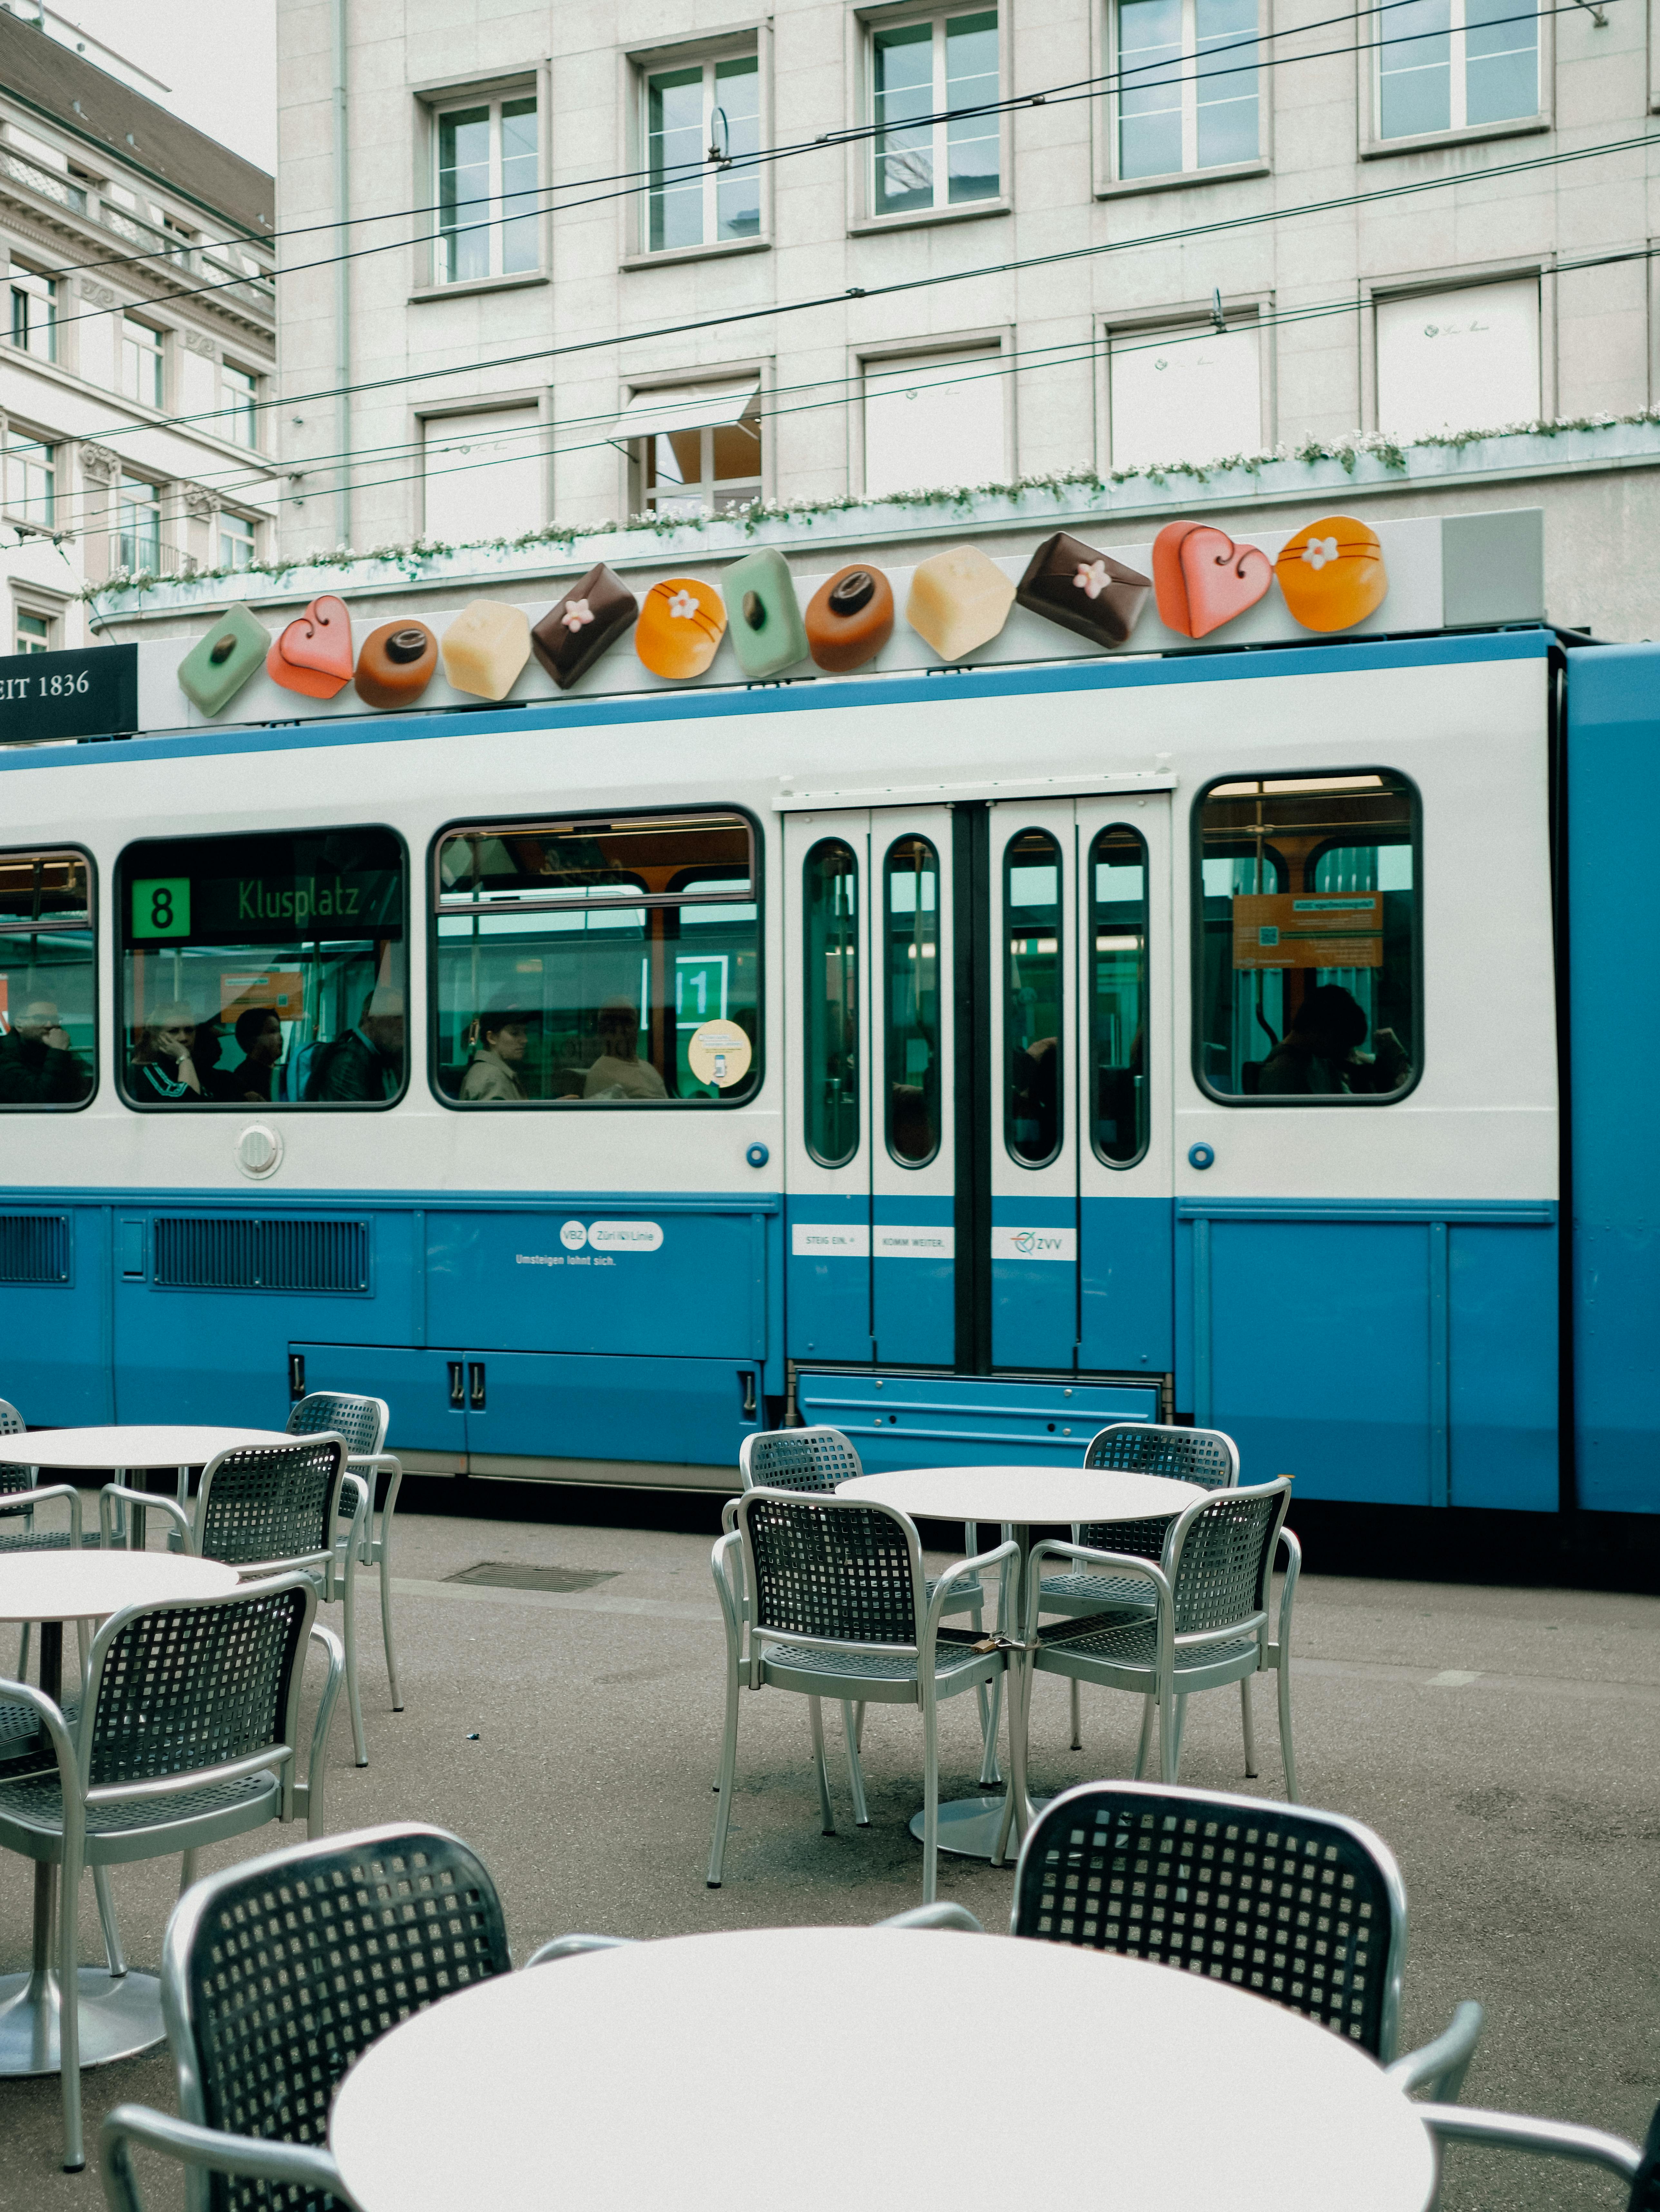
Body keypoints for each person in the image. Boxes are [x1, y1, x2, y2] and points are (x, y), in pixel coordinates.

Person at [1256, 983, 1411, 1096]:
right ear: (1323, 1031)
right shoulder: (1283, 1074)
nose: (1345, 1054)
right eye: (1342, 1045)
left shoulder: (1318, 1060)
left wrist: (1397, 1058)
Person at [305, 986, 405, 1103]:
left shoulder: (381, 1055)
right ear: (369, 1017)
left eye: (405, 1018)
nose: (403, 1025)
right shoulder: (348, 1063)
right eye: (396, 1017)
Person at [0, 996, 91, 1104]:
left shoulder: (48, 1049)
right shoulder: (4, 1054)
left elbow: (81, 1087)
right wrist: (58, 1051)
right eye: (40, 1019)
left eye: (54, 1020)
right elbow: (38, 1100)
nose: (49, 1025)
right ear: (20, 1024)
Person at [582, 998, 666, 1100]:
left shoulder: (648, 1068)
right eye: (612, 1025)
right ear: (602, 1031)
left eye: (628, 1023)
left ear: (637, 1029)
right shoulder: (601, 1074)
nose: (621, 1031)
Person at [129, 1001, 203, 1103]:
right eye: (173, 1031)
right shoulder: (146, 1070)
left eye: (189, 1030)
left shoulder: (200, 1069)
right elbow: (189, 1102)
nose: (184, 1038)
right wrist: (183, 1057)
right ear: (156, 1036)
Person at [210, 1006, 283, 1103]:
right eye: (273, 1032)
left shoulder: (279, 1071)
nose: (280, 1037)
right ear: (253, 1040)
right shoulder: (244, 1079)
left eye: (280, 1031)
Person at [459, 1006, 532, 1102]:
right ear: (492, 1038)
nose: (525, 1040)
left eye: (525, 1032)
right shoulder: (492, 1080)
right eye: (515, 1033)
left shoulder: (494, 1073)